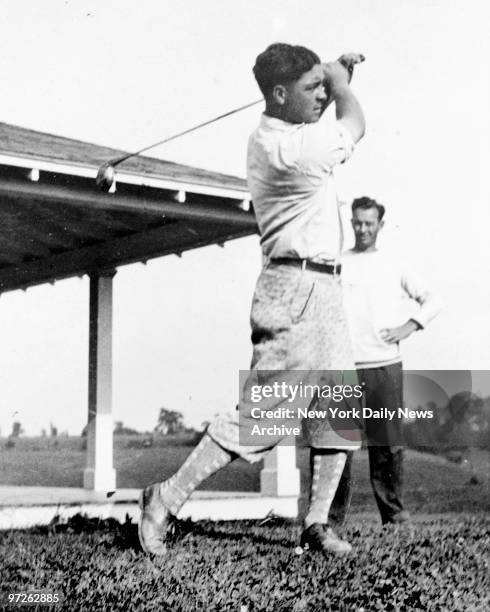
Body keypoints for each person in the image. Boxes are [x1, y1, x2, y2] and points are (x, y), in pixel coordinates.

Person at [138, 43, 366, 557]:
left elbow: (320, 118)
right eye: (312, 89)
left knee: (338, 408)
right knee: (265, 417)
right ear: (280, 94)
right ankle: (164, 499)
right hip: (295, 291)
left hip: (324, 288)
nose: (323, 95)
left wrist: (332, 78)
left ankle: (316, 524)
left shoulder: (281, 132)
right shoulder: (289, 149)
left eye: (322, 88)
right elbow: (354, 123)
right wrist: (344, 85)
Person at [340, 196, 443, 524]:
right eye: (357, 222)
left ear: (380, 225)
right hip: (343, 365)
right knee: (336, 445)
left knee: (387, 444)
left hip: (384, 364)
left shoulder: (394, 264)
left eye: (369, 223)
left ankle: (394, 514)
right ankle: (328, 521)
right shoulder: (338, 263)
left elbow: (433, 299)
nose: (362, 229)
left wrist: (409, 326)